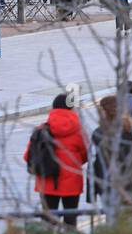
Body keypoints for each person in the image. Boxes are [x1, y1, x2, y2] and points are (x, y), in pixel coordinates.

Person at [25, 93, 88, 223]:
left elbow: (28, 156)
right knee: (70, 221)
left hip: (46, 181)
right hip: (72, 182)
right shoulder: (78, 130)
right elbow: (85, 155)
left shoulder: (41, 129)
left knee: (49, 222)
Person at [91, 95, 132, 204]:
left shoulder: (99, 134)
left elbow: (93, 163)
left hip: (108, 185)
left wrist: (92, 192)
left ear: (104, 112)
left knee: (113, 218)